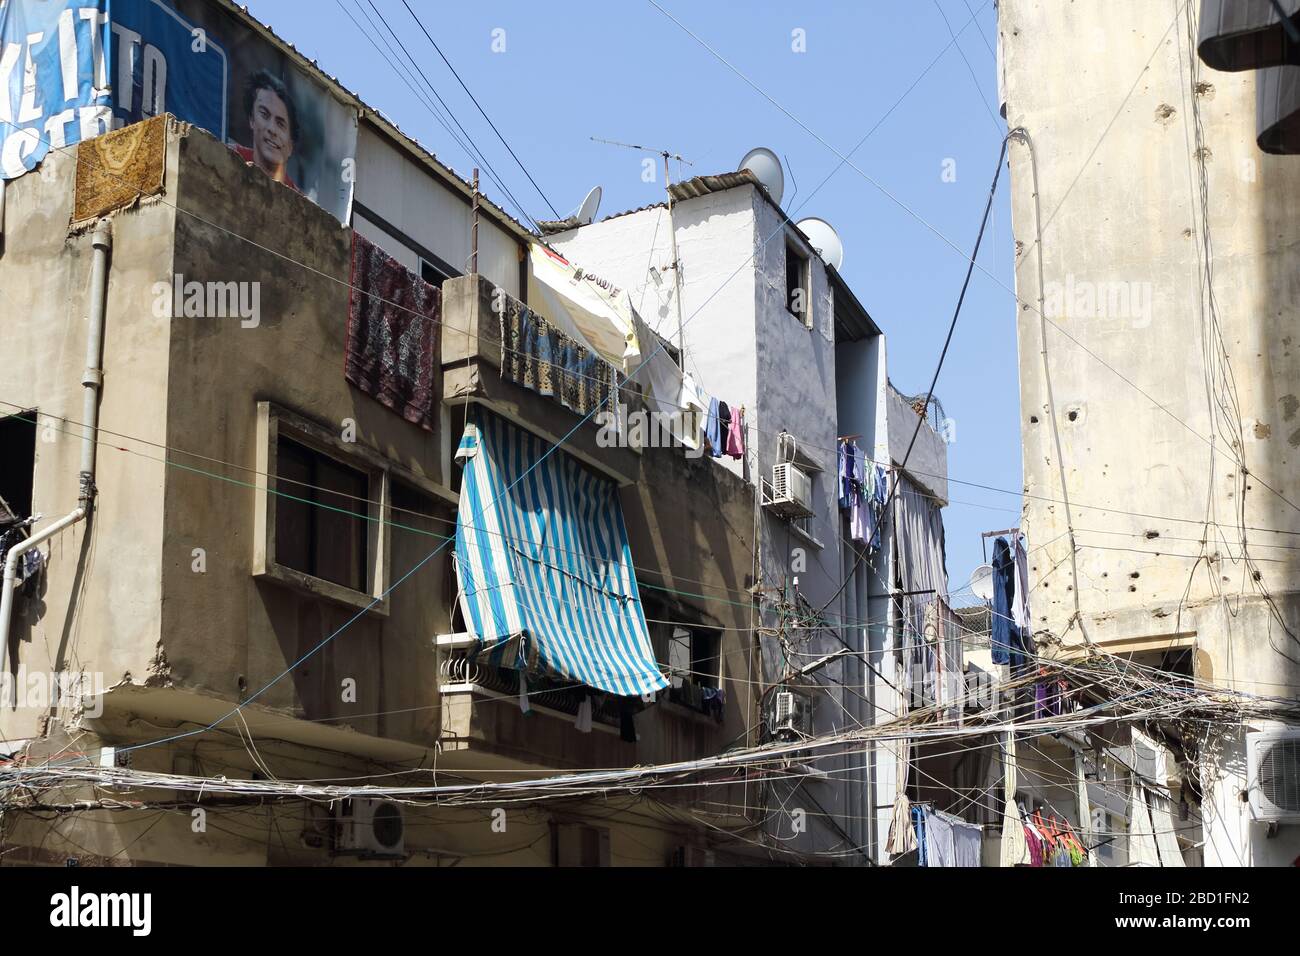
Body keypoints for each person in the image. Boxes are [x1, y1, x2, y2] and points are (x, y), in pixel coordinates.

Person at [232, 70, 300, 192]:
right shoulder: (229, 158)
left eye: (280, 124)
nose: (271, 129)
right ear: (252, 119)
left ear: (290, 146)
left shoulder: (300, 203)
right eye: (264, 114)